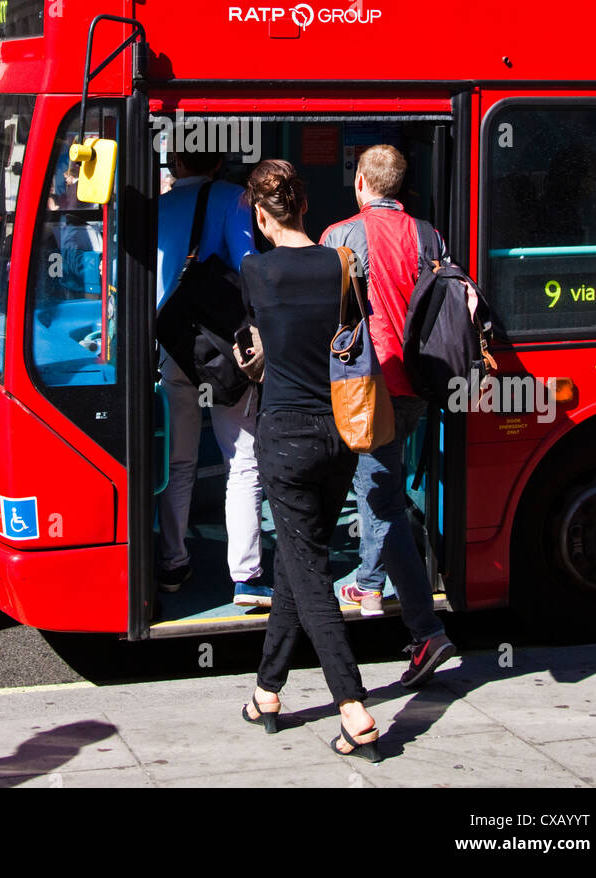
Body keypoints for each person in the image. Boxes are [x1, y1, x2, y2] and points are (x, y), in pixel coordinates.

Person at [237, 160, 379, 759]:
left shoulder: (255, 270)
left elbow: (265, 344)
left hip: (285, 431)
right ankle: (268, 691)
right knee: (302, 559)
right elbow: (349, 335)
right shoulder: (341, 262)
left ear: (264, 217)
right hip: (342, 428)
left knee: (310, 572)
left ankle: (354, 708)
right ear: (303, 209)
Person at [321, 144, 456, 688]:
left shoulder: (338, 236)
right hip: (419, 381)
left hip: (364, 385)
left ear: (360, 181)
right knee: (384, 481)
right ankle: (374, 582)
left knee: (380, 490)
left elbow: (326, 316)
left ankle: (379, 590)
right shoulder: (430, 235)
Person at [157, 146, 271, 608]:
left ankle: (172, 562)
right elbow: (247, 264)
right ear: (219, 162)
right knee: (242, 460)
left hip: (171, 346)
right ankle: (245, 576)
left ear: (177, 164)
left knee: (178, 461)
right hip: (223, 346)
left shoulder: (155, 207)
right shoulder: (233, 198)